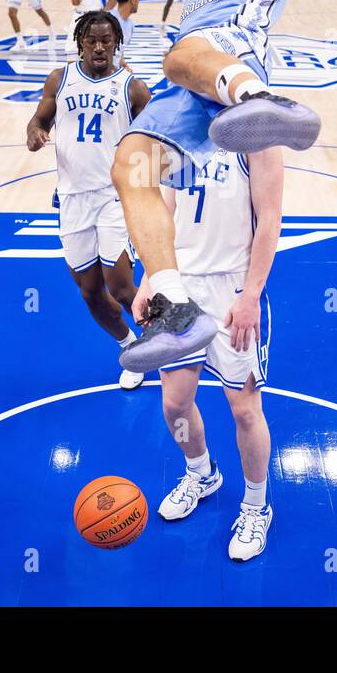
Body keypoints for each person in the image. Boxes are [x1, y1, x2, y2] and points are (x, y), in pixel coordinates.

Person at [111, 0, 319, 374]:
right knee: (130, 164)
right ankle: (177, 306)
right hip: (194, 86)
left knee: (180, 52)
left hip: (236, 55)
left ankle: (260, 101)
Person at [133, 143, 283, 561]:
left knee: (245, 410)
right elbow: (161, 214)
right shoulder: (176, 130)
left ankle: (256, 506)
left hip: (232, 289)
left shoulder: (257, 136)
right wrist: (149, 278)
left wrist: (251, 295)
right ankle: (201, 473)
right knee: (175, 404)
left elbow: (270, 220)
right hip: (179, 287)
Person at [26, 12, 152, 389]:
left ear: (117, 43)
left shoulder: (132, 87)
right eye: (92, 40)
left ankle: (169, 339)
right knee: (90, 293)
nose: (99, 47)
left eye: (107, 41)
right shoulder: (60, 79)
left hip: (115, 196)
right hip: (72, 198)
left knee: (121, 287)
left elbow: (156, 136)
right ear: (80, 42)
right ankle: (131, 348)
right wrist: (34, 134)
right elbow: (38, 121)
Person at [108, 0, 138, 71]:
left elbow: (119, 48)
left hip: (114, 71)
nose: (138, 4)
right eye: (138, 0)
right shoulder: (107, 20)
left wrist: (123, 64)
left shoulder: (130, 25)